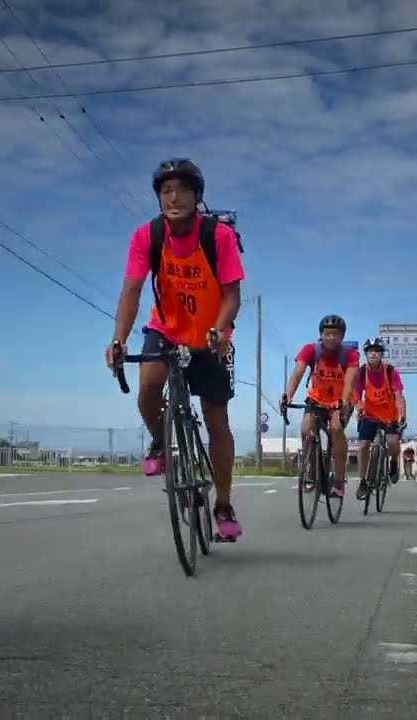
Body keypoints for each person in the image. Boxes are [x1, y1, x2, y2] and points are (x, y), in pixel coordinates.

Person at [106, 158, 244, 541]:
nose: (174, 197)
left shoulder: (219, 236)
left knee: (217, 419)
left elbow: (233, 295)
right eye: (166, 190)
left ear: (197, 196)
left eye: (182, 189)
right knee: (149, 379)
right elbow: (131, 290)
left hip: (211, 337)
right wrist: (118, 339)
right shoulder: (146, 236)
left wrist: (219, 330)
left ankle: (223, 503)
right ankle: (160, 441)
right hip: (165, 328)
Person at [280, 315, 359, 497]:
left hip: (341, 401)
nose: (331, 337)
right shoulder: (310, 350)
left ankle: (339, 478)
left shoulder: (350, 354)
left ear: (342, 336)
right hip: (316, 399)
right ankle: (312, 469)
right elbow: (297, 374)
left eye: (336, 334)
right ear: (321, 335)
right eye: (327, 333)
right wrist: (288, 395)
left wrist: (344, 402)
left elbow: (350, 381)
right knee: (306, 429)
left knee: (337, 429)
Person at [352, 338, 406, 501]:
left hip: (390, 414)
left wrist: (401, 414)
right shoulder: (361, 372)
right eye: (370, 351)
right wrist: (359, 406)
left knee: (392, 443)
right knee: (363, 446)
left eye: (377, 351)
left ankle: (394, 463)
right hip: (369, 414)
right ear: (366, 354)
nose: (373, 353)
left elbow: (398, 396)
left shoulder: (390, 371)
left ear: (381, 354)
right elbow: (355, 394)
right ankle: (362, 481)